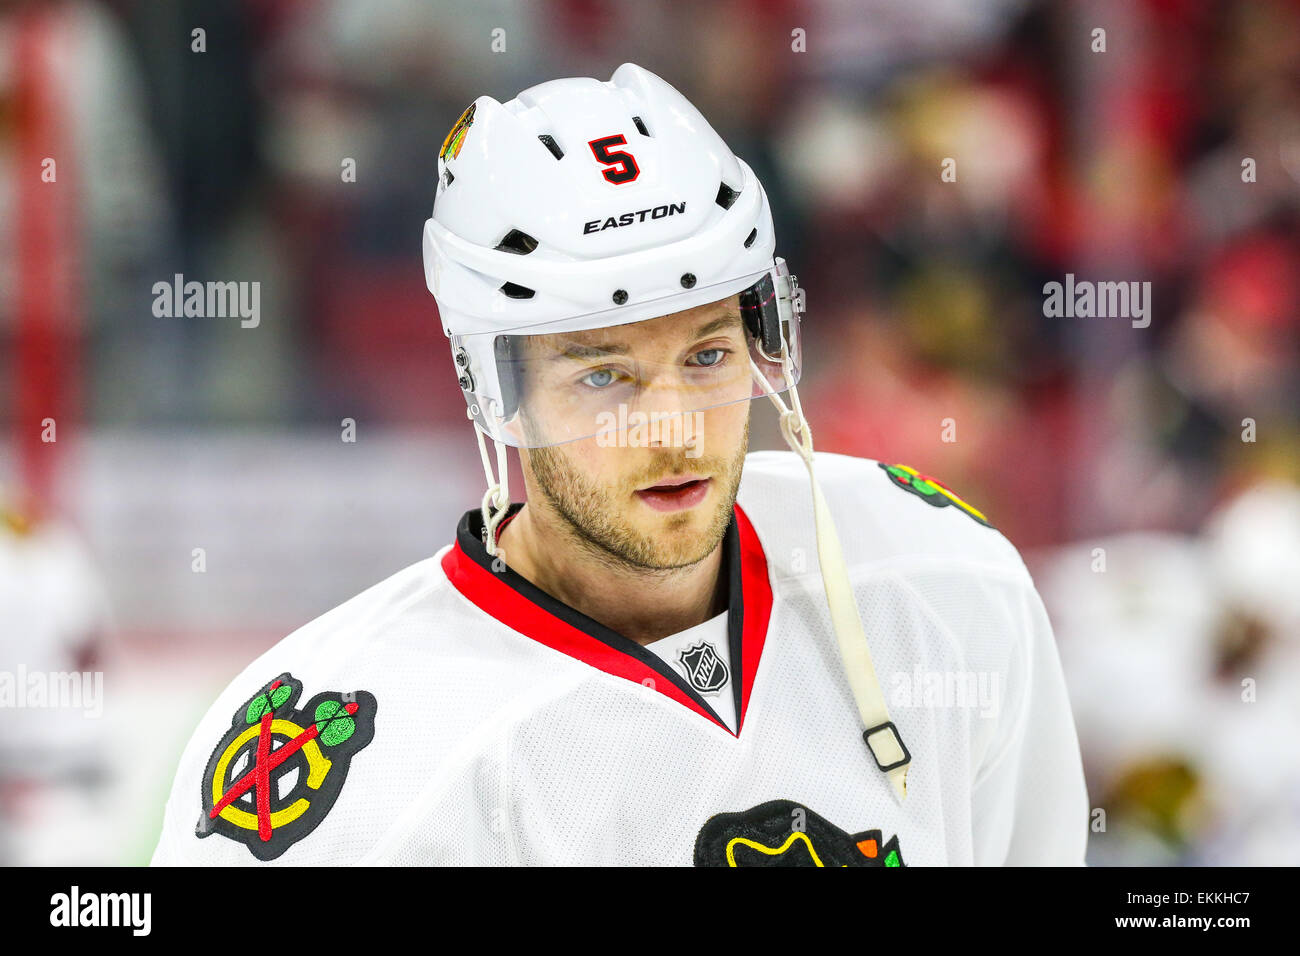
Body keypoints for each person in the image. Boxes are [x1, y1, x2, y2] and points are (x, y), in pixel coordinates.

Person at [151, 63, 1087, 866]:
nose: (674, 430)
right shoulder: (358, 762)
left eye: (709, 356)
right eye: (605, 375)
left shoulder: (941, 583)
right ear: (495, 388)